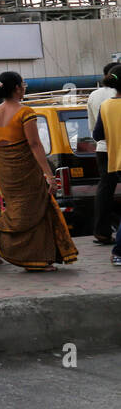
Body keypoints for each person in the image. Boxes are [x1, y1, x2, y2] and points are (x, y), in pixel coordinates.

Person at [0, 71, 78, 271]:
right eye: (23, 84)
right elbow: (35, 145)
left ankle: (36, 259)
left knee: (29, 210)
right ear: (17, 88)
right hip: (24, 170)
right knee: (27, 212)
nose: (24, 87)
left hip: (5, 169)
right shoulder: (25, 112)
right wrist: (49, 175)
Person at [87, 63, 121, 244]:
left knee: (105, 189)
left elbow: (94, 130)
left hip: (103, 149)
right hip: (117, 148)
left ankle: (101, 232)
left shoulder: (95, 96)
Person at [92, 83, 121, 266]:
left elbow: (97, 135)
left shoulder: (106, 105)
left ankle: (118, 252)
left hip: (116, 160)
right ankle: (118, 251)